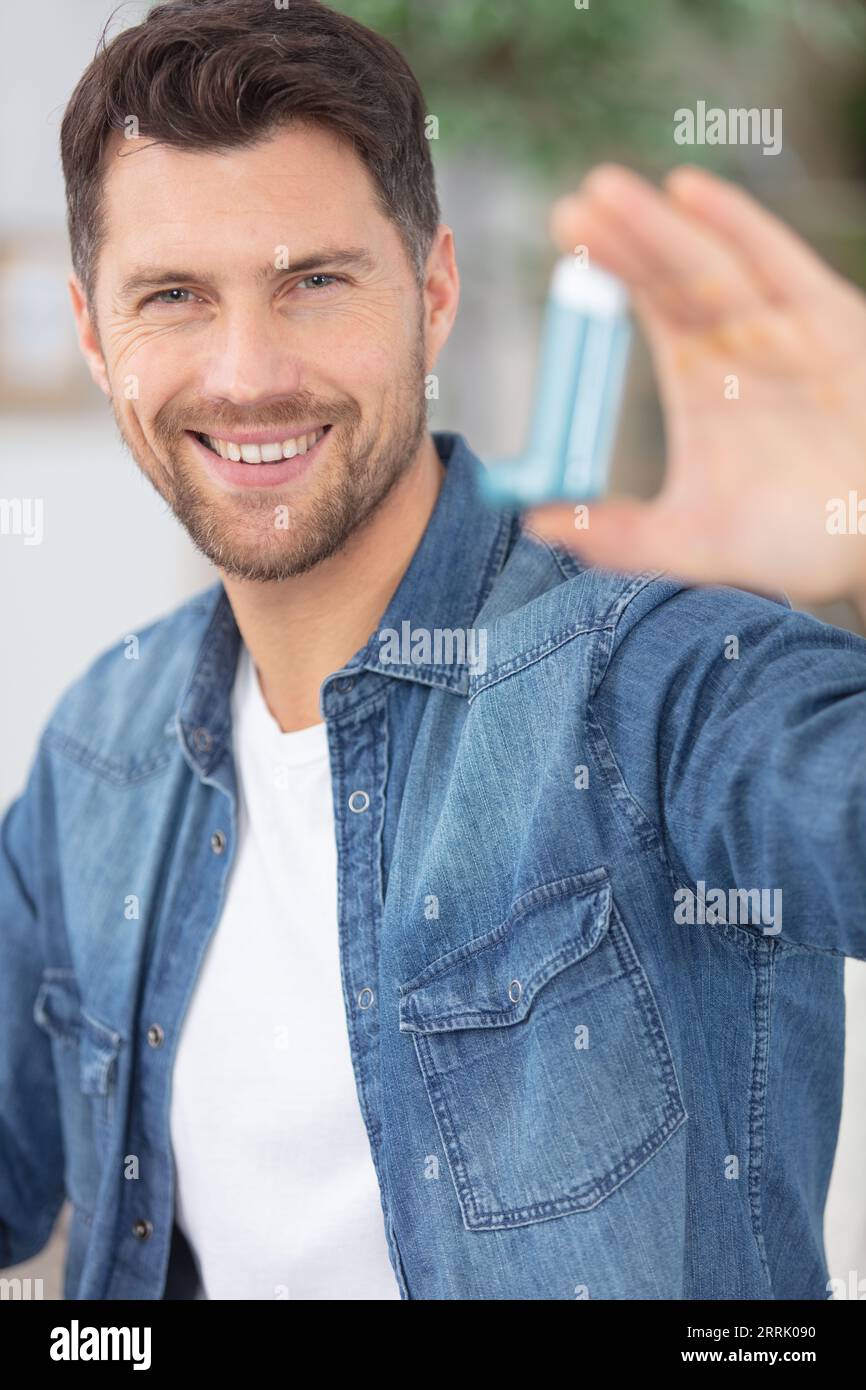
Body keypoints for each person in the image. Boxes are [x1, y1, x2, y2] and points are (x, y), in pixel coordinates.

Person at [2, 0, 865, 1301]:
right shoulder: (98, 749)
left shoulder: (657, 672)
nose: (246, 374)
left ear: (434, 289)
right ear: (91, 332)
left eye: (313, 281)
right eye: (173, 296)